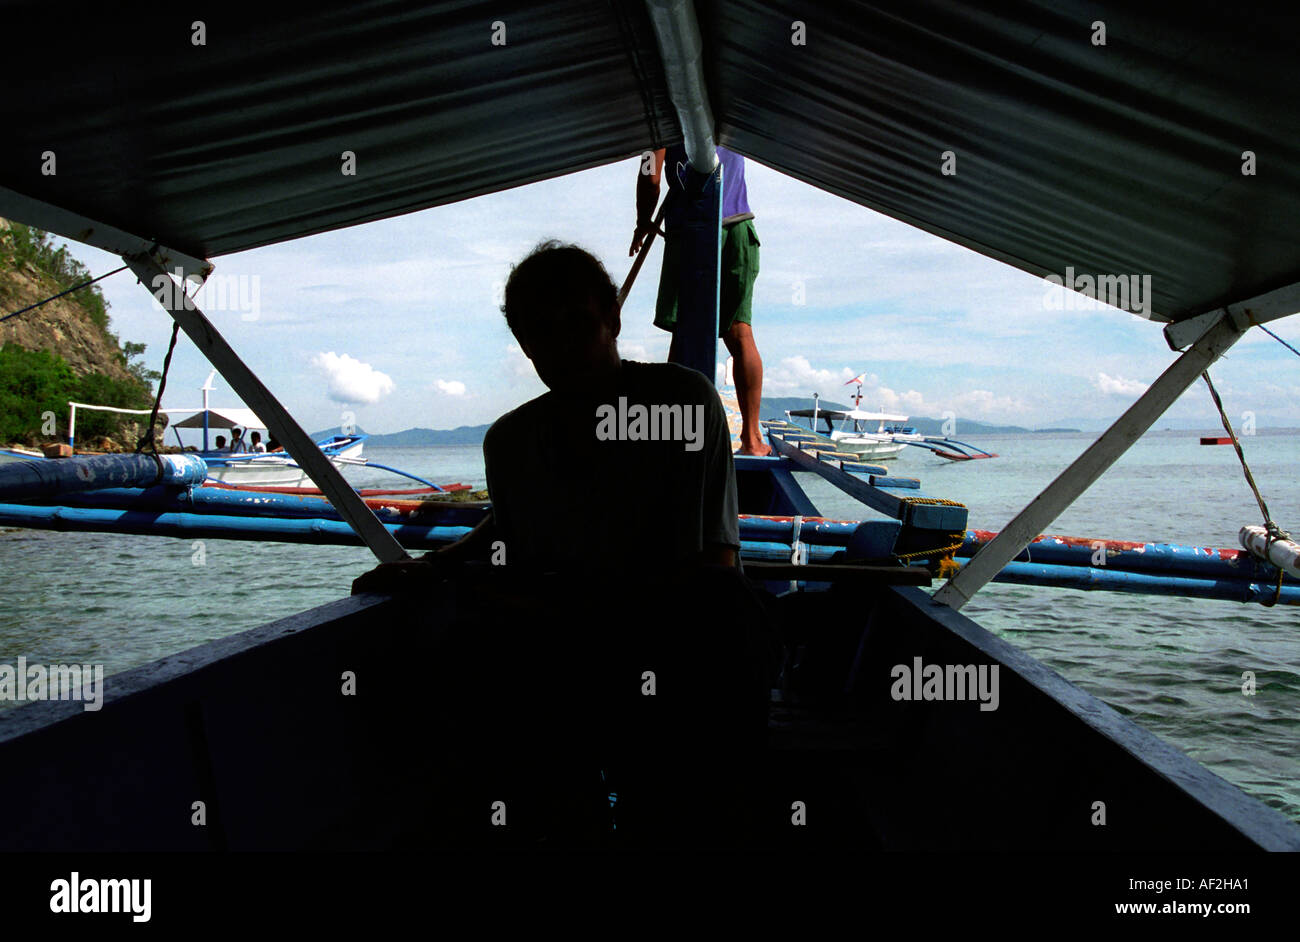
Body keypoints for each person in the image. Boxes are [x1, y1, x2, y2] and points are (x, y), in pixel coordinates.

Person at [353, 241, 771, 845]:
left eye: (578, 322)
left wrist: (514, 601)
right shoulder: (513, 439)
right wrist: (435, 565)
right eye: (540, 332)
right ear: (524, 345)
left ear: (613, 319)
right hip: (579, 639)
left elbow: (691, 567)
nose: (562, 345)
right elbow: (511, 523)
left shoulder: (679, 402)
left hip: (683, 641)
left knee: (723, 615)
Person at [631, 144, 772, 456]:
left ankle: (676, 436)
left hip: (692, 233)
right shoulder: (729, 104)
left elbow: (650, 173)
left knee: (685, 335)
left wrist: (643, 219)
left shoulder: (659, 115)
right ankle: (751, 439)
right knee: (740, 332)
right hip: (737, 226)